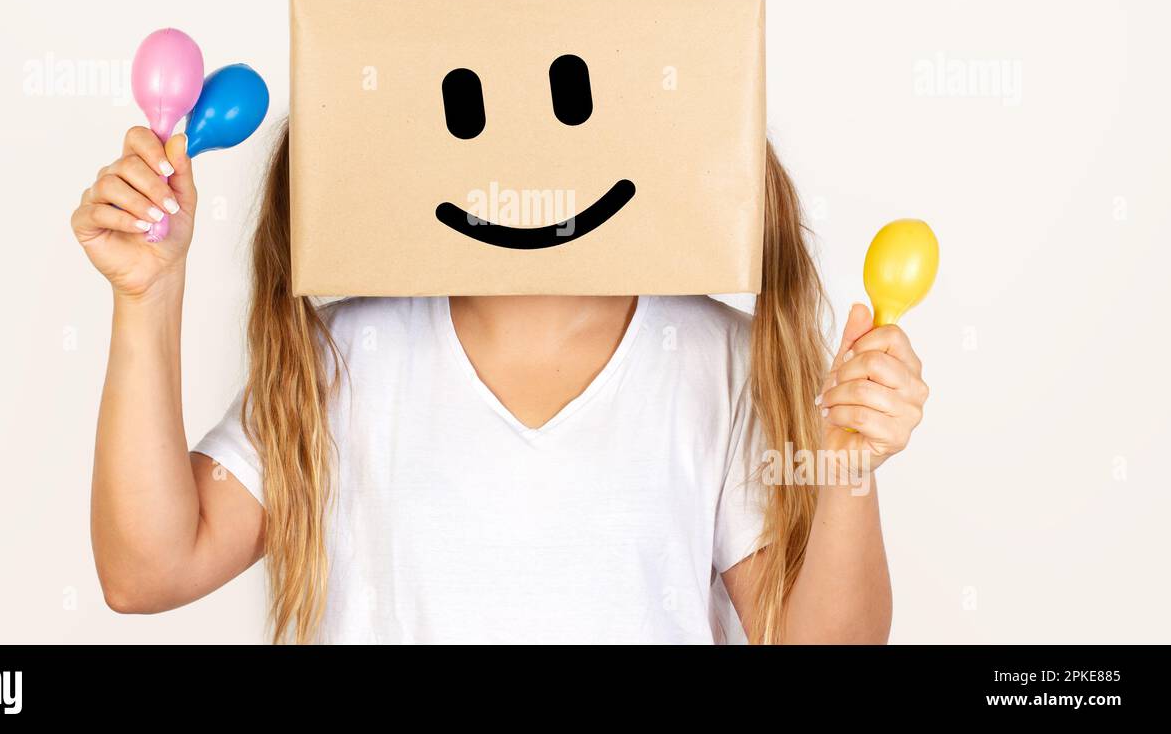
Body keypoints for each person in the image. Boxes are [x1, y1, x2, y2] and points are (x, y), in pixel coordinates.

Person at [72, 124, 929, 644]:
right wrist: (146, 296)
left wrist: (848, 473)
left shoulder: (714, 359)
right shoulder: (345, 355)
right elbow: (147, 570)